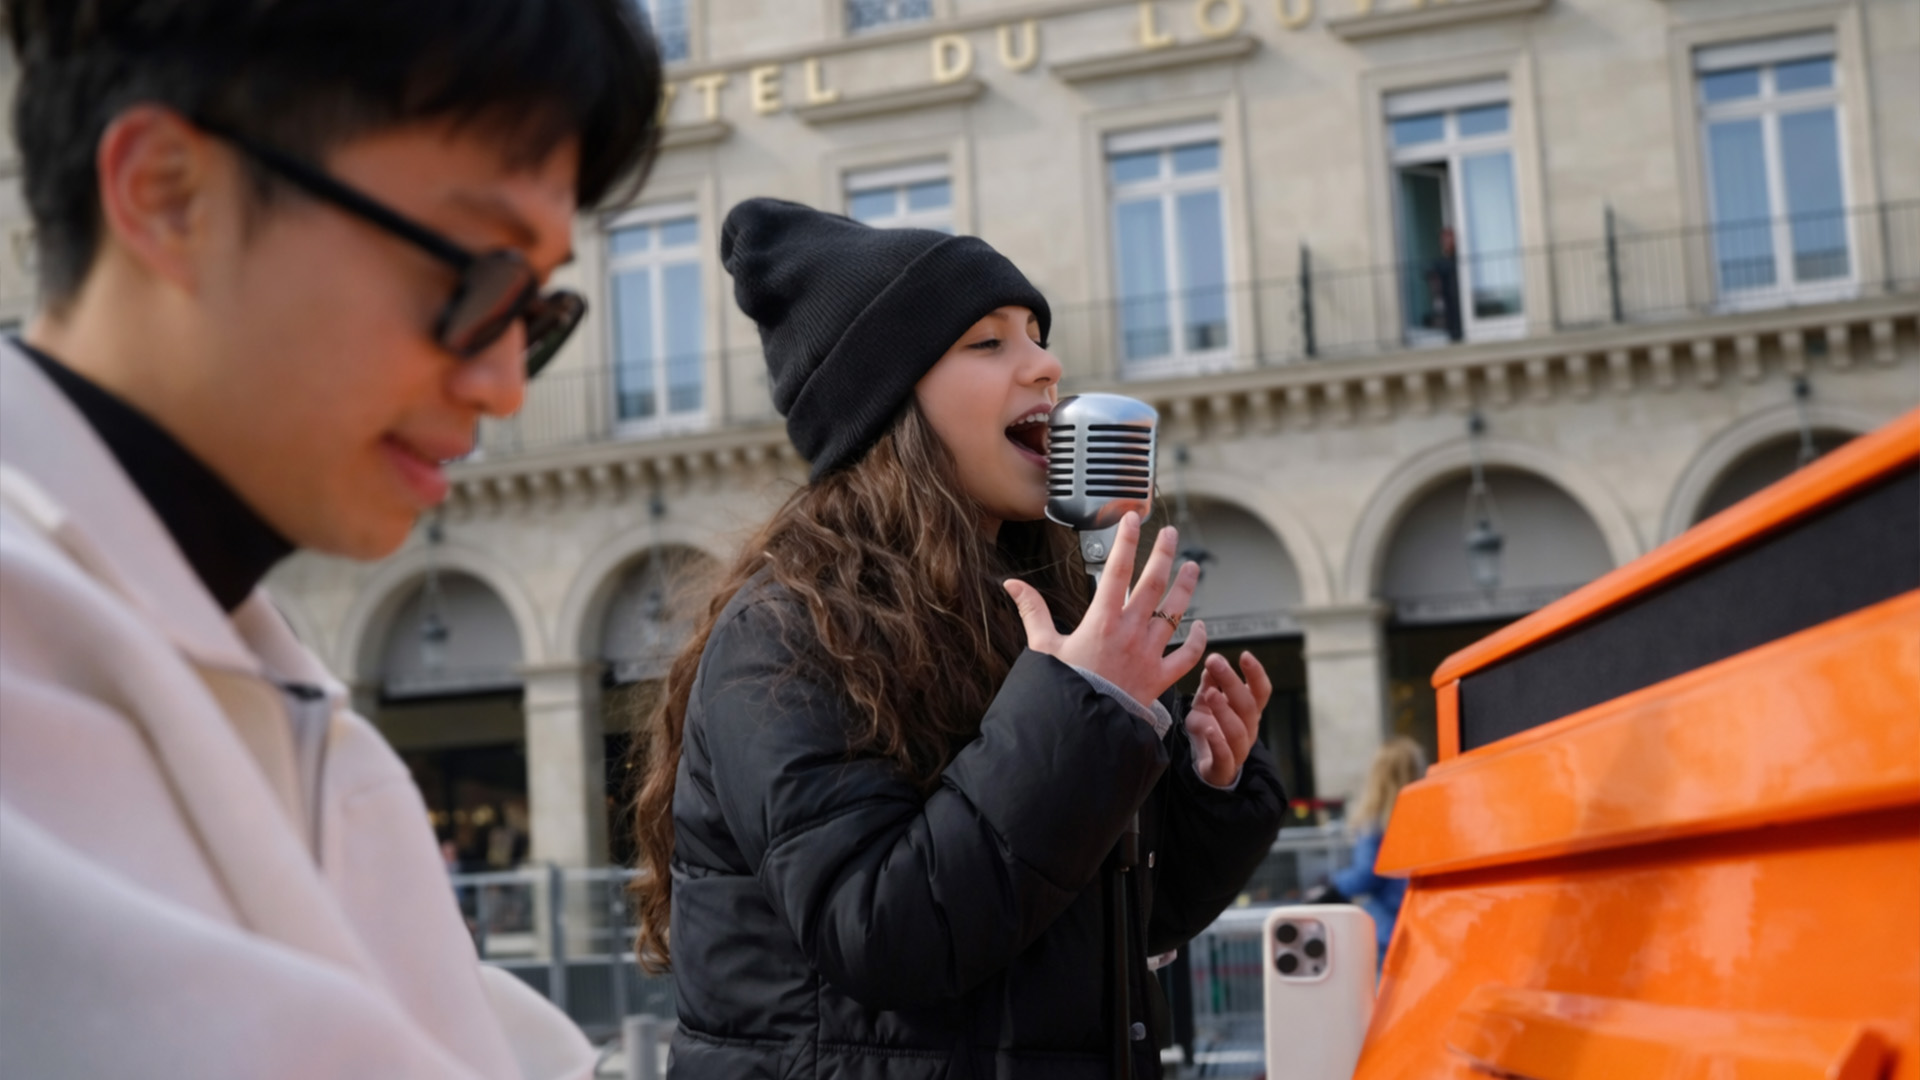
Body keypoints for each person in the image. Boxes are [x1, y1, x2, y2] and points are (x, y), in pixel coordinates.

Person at [0, 2, 661, 1076]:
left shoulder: (240, 646)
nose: (500, 385)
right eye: (478, 281)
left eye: (536, 315)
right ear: (169, 196)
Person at [630, 199, 1289, 1078]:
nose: (1046, 365)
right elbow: (883, 931)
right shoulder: (788, 631)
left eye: (1037, 334)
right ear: (888, 402)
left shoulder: (1037, 607)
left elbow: (1102, 924)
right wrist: (1081, 715)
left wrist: (1207, 791)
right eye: (990, 343)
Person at [1329, 737, 1428, 961]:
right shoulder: (1427, 820)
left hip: (1385, 931)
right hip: (1422, 925)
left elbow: (1368, 872)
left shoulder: (1375, 825)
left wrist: (1333, 889)